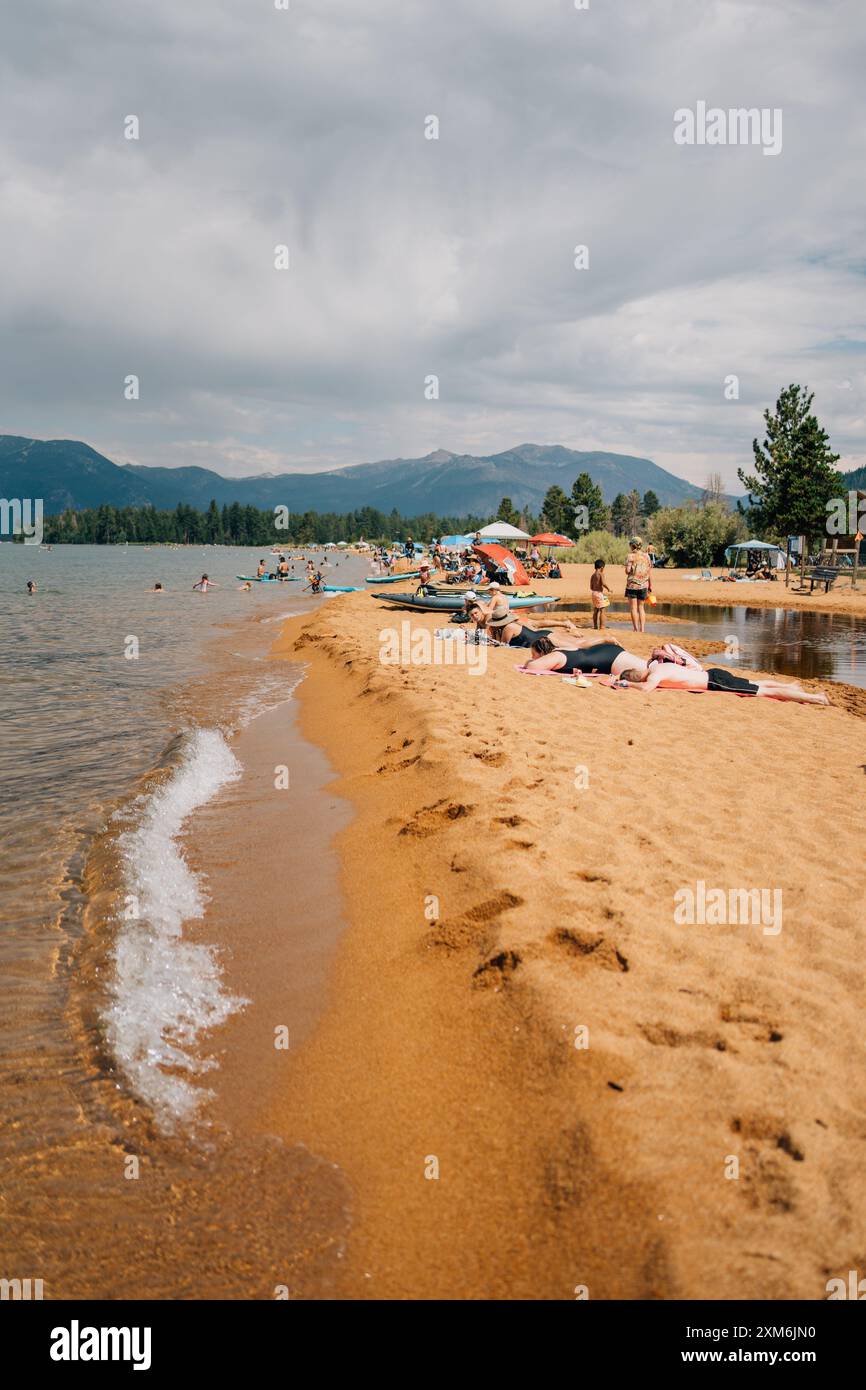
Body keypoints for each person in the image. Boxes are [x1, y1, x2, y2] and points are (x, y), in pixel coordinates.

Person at [617, 662, 829, 704]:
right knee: (755, 682)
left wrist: (626, 685)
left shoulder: (654, 677)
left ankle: (816, 698)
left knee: (762, 692)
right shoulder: (655, 666)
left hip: (716, 682)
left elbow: (645, 690)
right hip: (713, 672)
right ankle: (792, 687)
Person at [521, 635, 653, 678]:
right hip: (608, 653)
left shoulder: (556, 656)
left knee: (651, 671)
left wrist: (530, 661)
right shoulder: (563, 649)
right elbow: (583, 643)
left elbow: (532, 666)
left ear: (543, 652)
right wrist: (604, 639)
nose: (533, 658)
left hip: (612, 660)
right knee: (649, 666)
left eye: (534, 655)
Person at [625, 536, 653, 632]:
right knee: (641, 607)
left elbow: (627, 571)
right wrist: (650, 585)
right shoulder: (647, 556)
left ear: (632, 545)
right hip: (644, 584)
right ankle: (642, 629)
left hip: (632, 584)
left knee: (633, 608)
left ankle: (635, 629)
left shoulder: (630, 556)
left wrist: (628, 568)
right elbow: (649, 572)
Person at [590, 559, 611, 629]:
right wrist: (609, 589)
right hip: (599, 593)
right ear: (602, 567)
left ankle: (595, 626)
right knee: (602, 610)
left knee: (596, 609)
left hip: (593, 593)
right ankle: (602, 626)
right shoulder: (601, 574)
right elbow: (603, 583)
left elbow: (591, 587)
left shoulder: (592, 575)